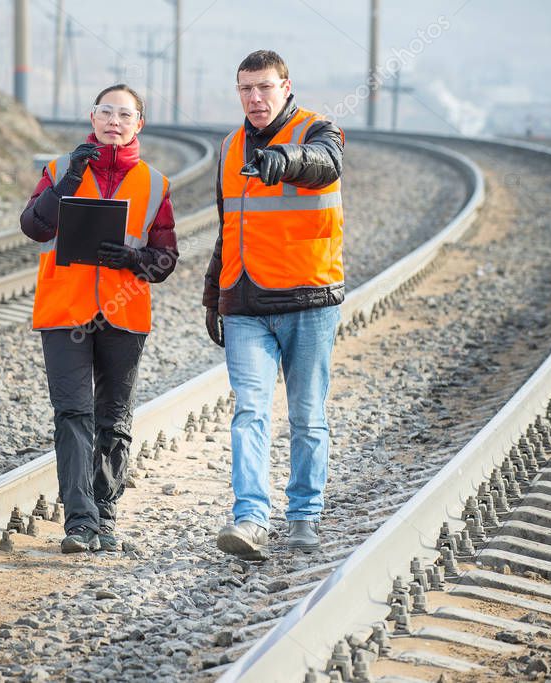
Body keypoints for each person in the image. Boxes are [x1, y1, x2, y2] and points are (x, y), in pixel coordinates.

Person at [20, 84, 178, 553]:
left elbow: (166, 261)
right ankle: (79, 522)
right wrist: (69, 180)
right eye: (106, 112)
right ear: (92, 119)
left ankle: (105, 515)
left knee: (112, 419)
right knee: (72, 413)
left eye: (124, 114)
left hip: (123, 314)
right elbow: (33, 227)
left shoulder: (154, 183)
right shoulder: (58, 170)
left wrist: (132, 259)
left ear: (138, 125)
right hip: (64, 312)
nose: (114, 120)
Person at [203, 50, 345, 560]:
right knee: (250, 413)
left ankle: (304, 515)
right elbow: (229, 227)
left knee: (307, 416)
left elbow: (324, 164)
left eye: (264, 87)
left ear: (287, 86)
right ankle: (250, 520)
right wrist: (213, 296)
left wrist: (282, 160)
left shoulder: (318, 130)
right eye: (245, 88)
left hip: (308, 298)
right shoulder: (229, 146)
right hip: (245, 300)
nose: (255, 98)